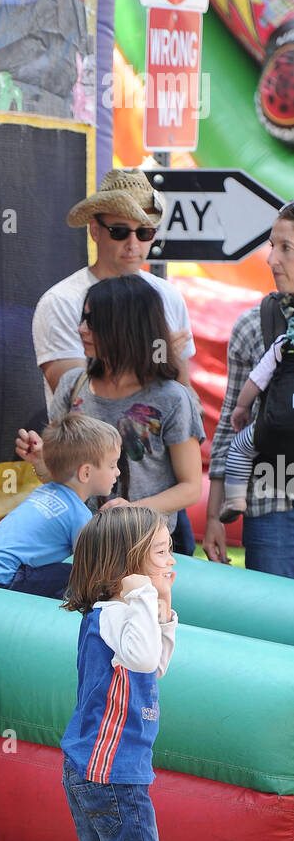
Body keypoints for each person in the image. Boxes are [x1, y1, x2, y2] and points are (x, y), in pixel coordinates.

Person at [32, 166, 197, 553]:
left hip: (153, 517)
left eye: (146, 233)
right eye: (120, 231)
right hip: (86, 522)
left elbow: (183, 400)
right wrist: (43, 459)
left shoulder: (167, 296)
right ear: (95, 229)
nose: (134, 244)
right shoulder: (61, 302)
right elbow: (79, 402)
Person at [60, 507, 180, 841]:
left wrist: (164, 611)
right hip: (114, 778)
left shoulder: (119, 616)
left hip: (91, 770)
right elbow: (139, 658)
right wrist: (144, 598)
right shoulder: (116, 614)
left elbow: (157, 664)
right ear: (124, 567)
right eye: (161, 553)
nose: (171, 563)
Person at [19, 276, 204, 536]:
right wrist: (41, 461)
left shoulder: (172, 397)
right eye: (82, 319)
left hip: (144, 546)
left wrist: (130, 512)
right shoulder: (73, 385)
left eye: (93, 322)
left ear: (128, 328)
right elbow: (63, 480)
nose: (82, 329)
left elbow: (191, 487)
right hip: (80, 543)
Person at [205, 202, 294, 573]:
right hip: (271, 500)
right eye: (272, 245)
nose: (271, 258)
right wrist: (213, 515)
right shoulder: (251, 326)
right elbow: (230, 424)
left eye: (286, 248)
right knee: (271, 626)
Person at [0, 412, 121, 598]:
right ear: (85, 472)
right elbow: (93, 567)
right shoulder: (79, 515)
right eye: (112, 465)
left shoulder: (43, 492)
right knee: (83, 578)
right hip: (5, 578)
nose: (117, 472)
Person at [221, 316, 294, 521]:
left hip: (273, 428)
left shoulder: (283, 344)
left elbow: (256, 379)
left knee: (239, 448)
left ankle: (235, 499)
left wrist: (242, 407)